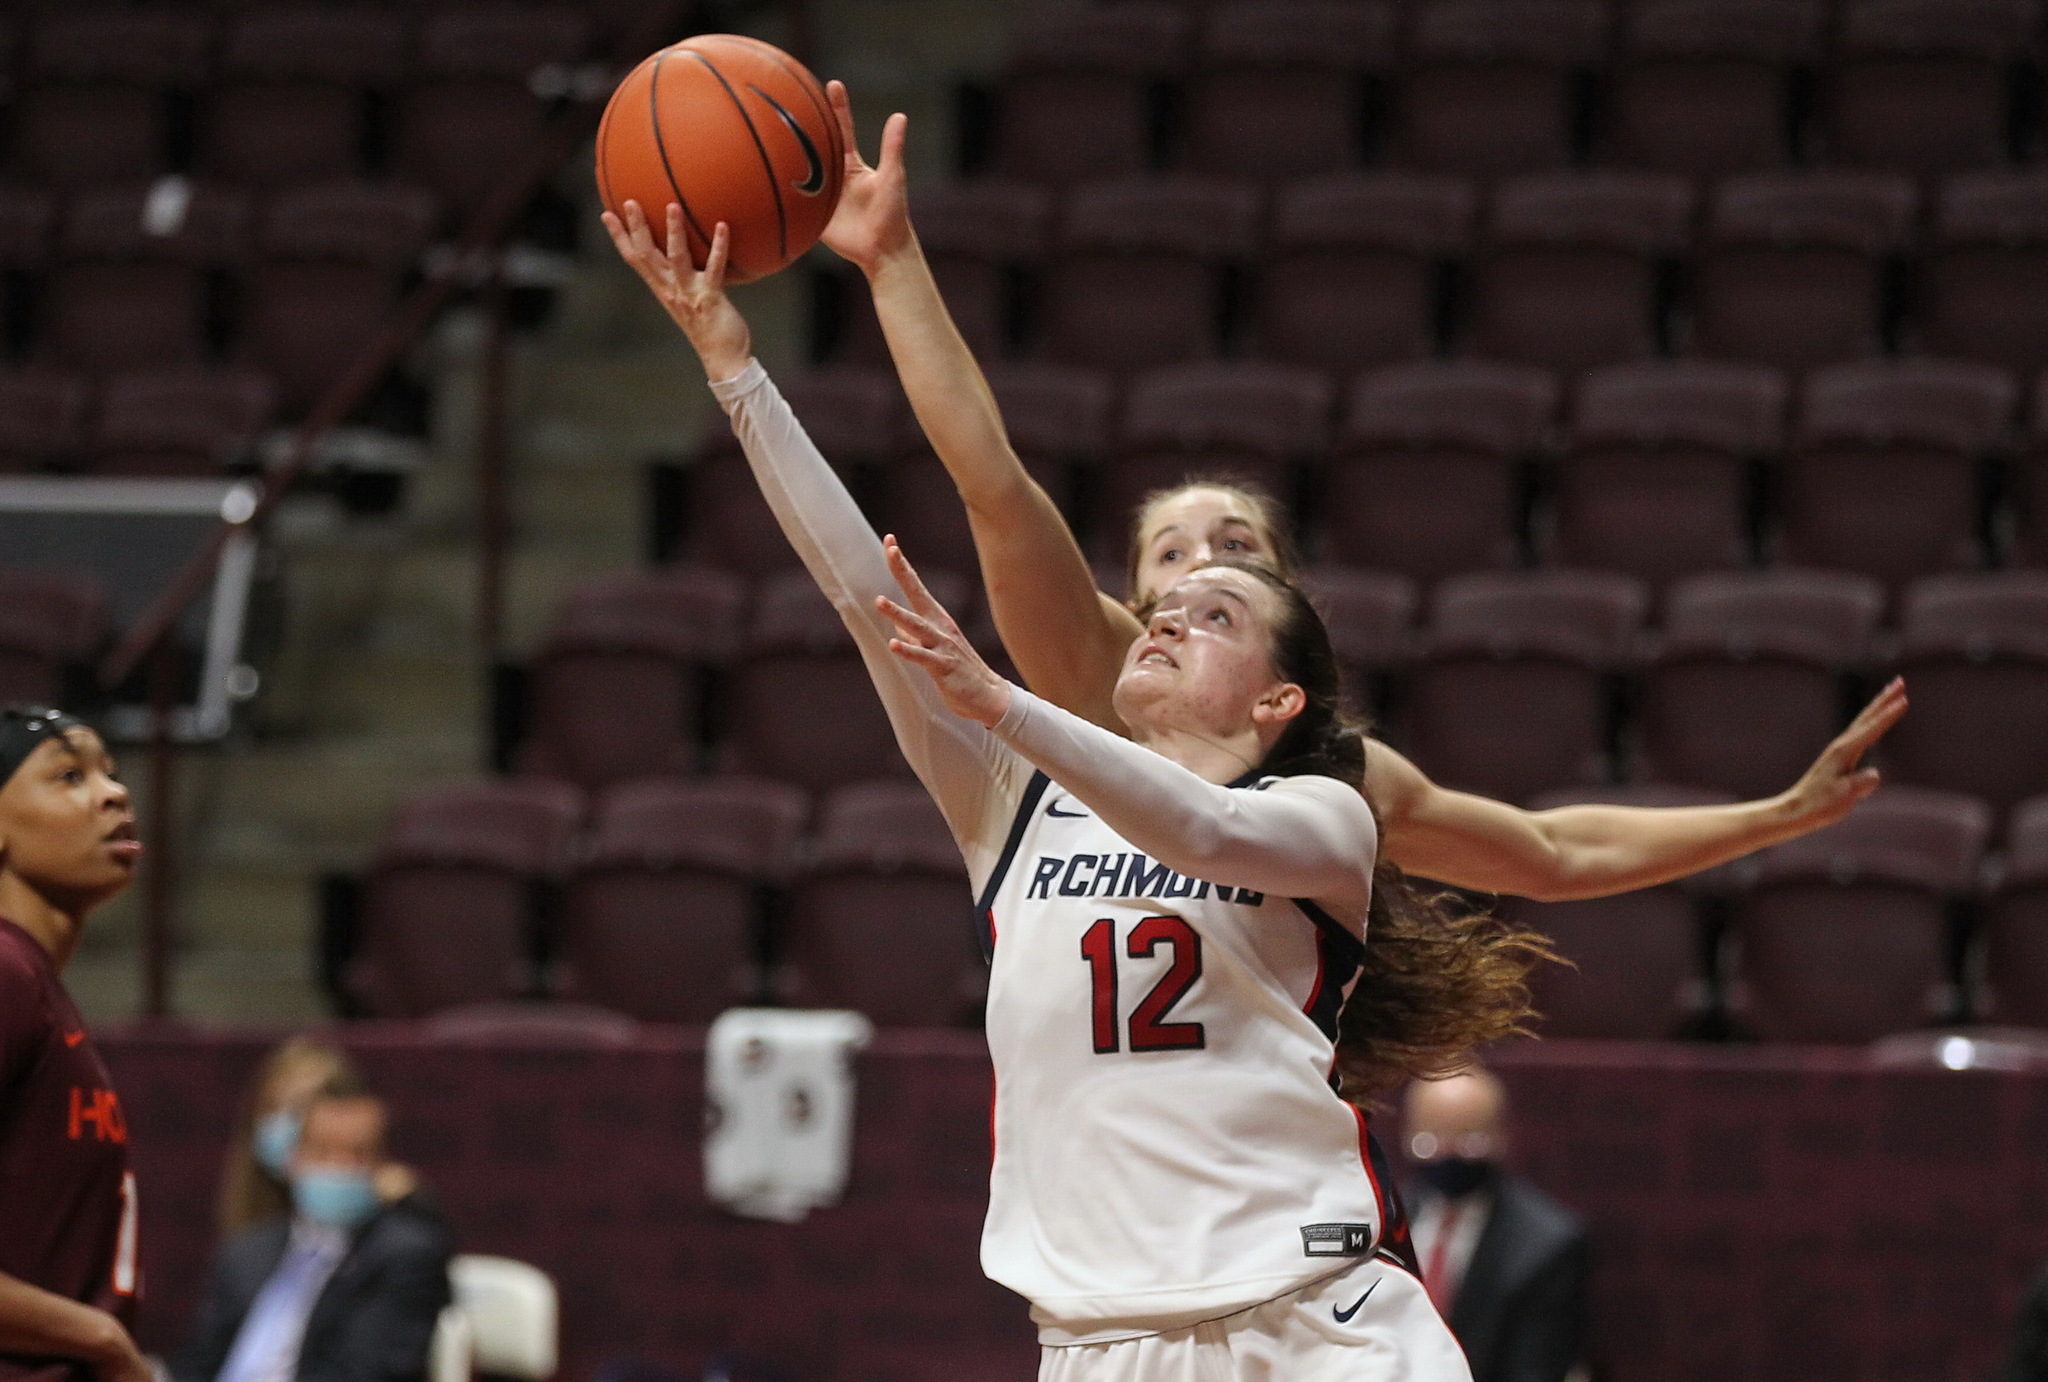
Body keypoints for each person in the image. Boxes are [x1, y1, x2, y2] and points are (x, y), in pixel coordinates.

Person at [608, 200, 1559, 1379]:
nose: (1168, 616)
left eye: (1218, 615)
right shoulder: (1014, 800)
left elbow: (1196, 823)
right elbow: (861, 592)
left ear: (1278, 702)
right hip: (1098, 1336)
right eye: (1163, 603)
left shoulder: (1322, 813)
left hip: (1316, 1320)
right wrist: (736, 371)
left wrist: (1004, 703)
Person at [809, 81, 1908, 902]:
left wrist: (1773, 815)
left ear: (1283, 601)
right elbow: (991, 482)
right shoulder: (1091, 672)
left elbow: (1552, 853)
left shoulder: (1338, 778)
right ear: (1133, 600)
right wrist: (892, 261)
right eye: (1170, 554)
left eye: (1232, 545)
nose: (1200, 568)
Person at [0, 706, 149, 1382]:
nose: (114, 793)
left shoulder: (34, 979)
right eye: (68, 777)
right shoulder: (5, 972)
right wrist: (102, 1339)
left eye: (110, 774)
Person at [174, 1081, 451, 1382]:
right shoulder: (246, 1253)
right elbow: (196, 1365)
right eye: (322, 1151)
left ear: (381, 1163)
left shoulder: (403, 1255)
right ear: (291, 1156)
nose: (340, 1166)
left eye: (358, 1154)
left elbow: (365, 1374)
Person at [1403, 1068, 1589, 1382]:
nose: (1449, 1153)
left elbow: (1535, 1371)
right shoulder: (1380, 1223)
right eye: (1431, 1141)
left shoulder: (1547, 1247)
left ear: (1500, 1137)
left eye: (1469, 1141)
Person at [216, 1039, 418, 1239]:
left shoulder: (392, 1214)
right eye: (271, 1107)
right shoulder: (249, 1227)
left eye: (300, 1108)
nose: (283, 1123)